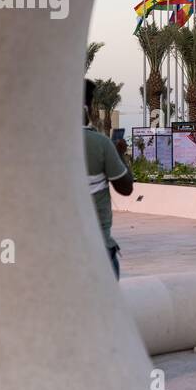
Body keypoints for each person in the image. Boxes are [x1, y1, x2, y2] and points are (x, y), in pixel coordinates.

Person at [84, 79, 133, 278]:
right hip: (99, 250)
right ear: (87, 108)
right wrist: (119, 153)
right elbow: (125, 187)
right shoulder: (100, 144)